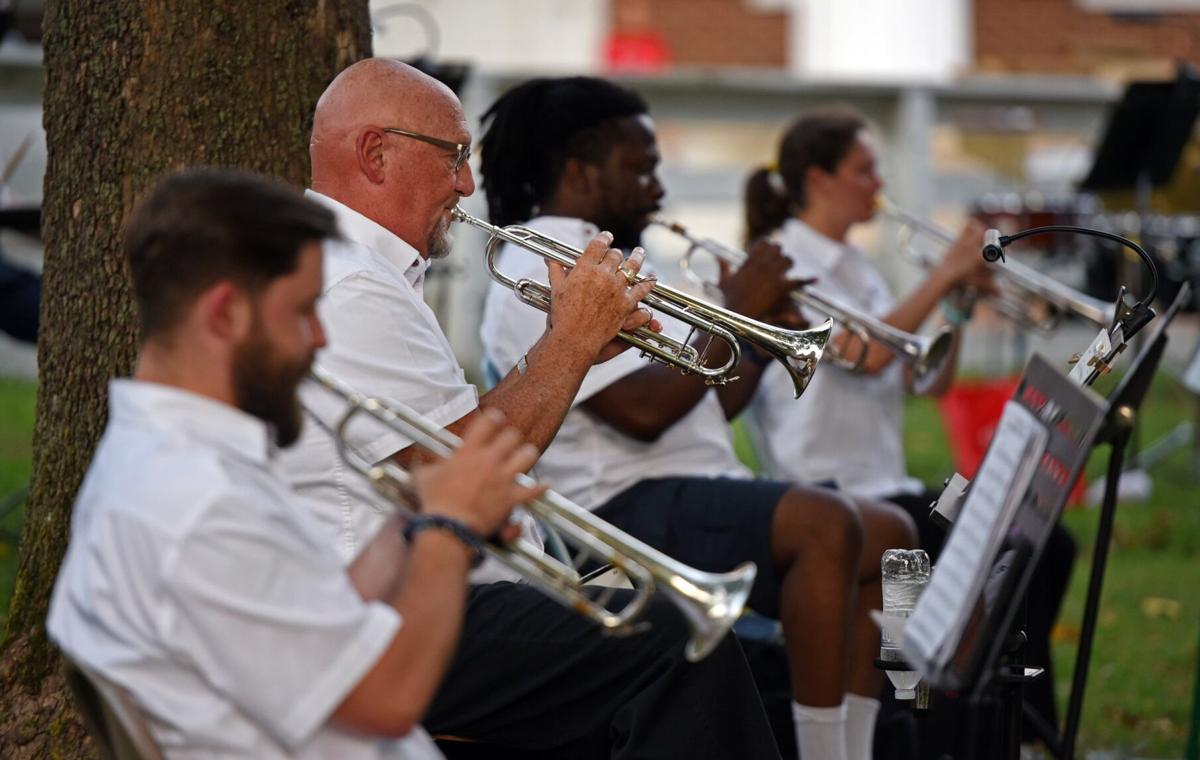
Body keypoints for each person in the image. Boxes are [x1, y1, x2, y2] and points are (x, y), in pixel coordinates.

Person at [279, 58, 783, 759]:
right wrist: (569, 344)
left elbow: (445, 444)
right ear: (375, 154)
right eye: (453, 156)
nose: (467, 183)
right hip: (386, 621)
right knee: (683, 640)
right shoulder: (350, 285)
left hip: (413, 602)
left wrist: (568, 347)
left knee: (681, 642)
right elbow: (453, 469)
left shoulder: (352, 273)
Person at [478, 76, 919, 760]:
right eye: (641, 169)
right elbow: (643, 412)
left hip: (686, 485)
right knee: (828, 524)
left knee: (895, 537)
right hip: (617, 502)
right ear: (581, 170)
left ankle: (866, 745)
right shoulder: (550, 255)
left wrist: (764, 341)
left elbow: (707, 403)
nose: (657, 188)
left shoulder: (605, 252)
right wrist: (736, 310)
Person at [46, 168, 547, 759]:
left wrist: (413, 517)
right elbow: (389, 700)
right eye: (305, 312)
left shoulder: (168, 457)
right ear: (226, 315)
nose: (320, 339)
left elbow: (320, 615)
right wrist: (448, 531)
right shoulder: (201, 504)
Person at [742, 105, 1075, 750]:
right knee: (976, 549)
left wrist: (957, 304)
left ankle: (1011, 723)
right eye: (864, 169)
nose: (878, 184)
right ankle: (960, 723)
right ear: (819, 178)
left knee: (1039, 539)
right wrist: (946, 271)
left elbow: (929, 380)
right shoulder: (783, 261)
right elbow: (867, 355)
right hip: (833, 491)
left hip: (891, 483)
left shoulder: (858, 266)